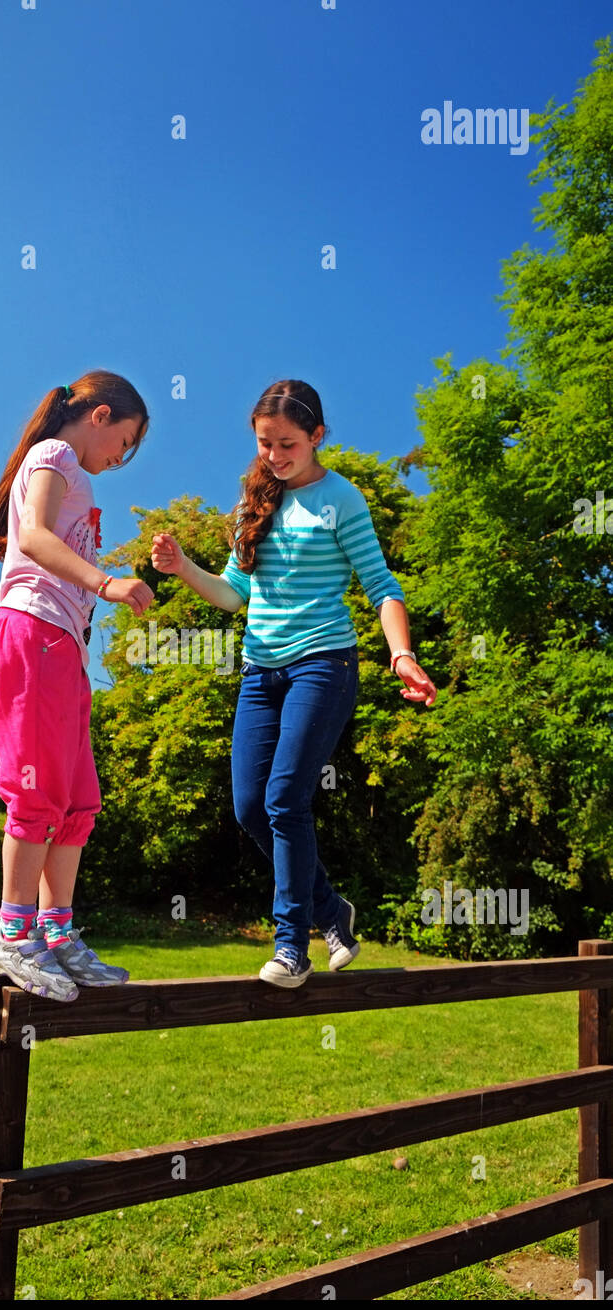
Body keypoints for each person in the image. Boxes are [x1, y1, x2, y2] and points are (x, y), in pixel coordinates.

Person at [151, 379, 437, 988]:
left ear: (316, 437)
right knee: (251, 806)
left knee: (285, 798)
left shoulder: (343, 500)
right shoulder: (253, 501)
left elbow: (382, 588)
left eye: (286, 444)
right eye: (264, 444)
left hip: (322, 664)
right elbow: (235, 595)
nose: (275, 456)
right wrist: (184, 568)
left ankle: (292, 945)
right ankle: (333, 911)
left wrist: (402, 654)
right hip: (260, 670)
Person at [0, 370, 154, 1000]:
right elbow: (32, 537)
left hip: (64, 650)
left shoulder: (76, 473)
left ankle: (55, 932)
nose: (120, 458)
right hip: (30, 632)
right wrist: (106, 582)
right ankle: (11, 932)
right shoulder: (52, 455)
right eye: (124, 441)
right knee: (37, 791)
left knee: (78, 800)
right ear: (101, 415)